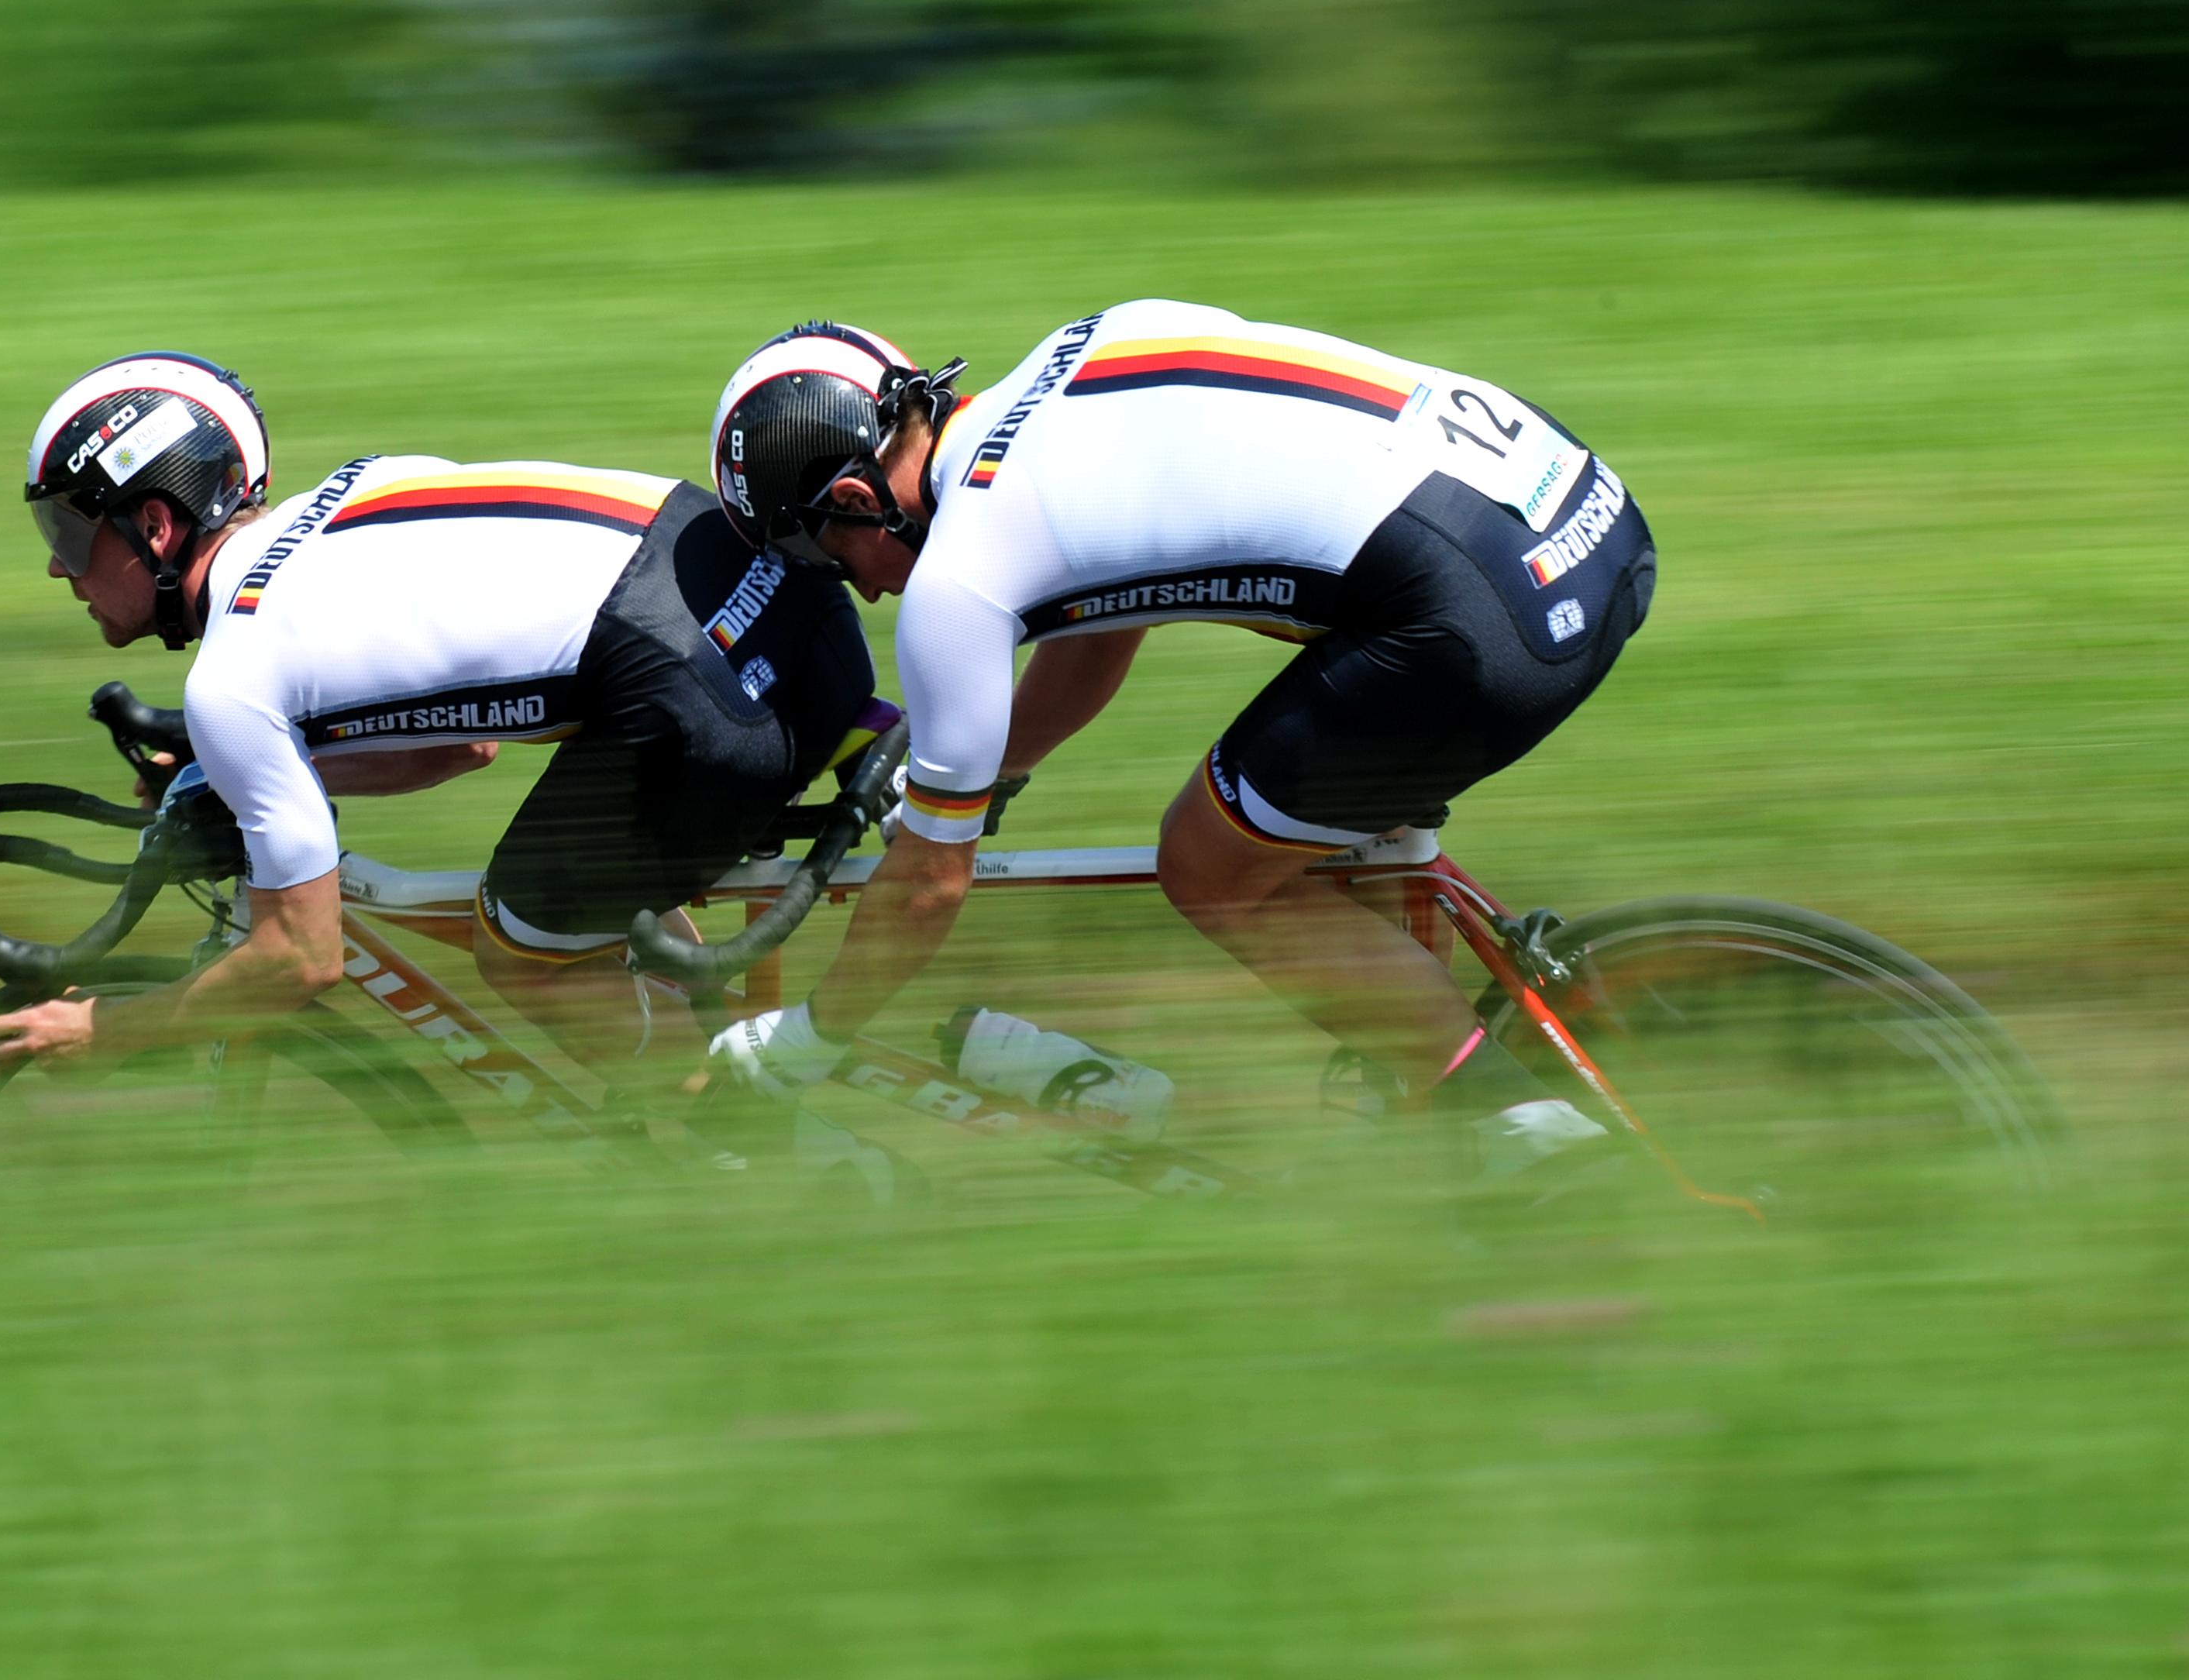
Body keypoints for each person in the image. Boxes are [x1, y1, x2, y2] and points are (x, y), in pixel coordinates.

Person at [701, 301, 1659, 1182]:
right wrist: (992, 774)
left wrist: (813, 1035)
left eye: (821, 557)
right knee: (1304, 808)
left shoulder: (960, 577)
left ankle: (1522, 1130)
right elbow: (1101, 620)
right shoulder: (1078, 346)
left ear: (856, 499)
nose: (864, 590)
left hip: (1488, 611)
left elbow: (928, 890)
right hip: (1581, 510)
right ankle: (1423, 1089)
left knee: (1209, 867)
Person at [0, 351, 884, 1114]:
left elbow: (300, 960)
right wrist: (249, 772)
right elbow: (461, 738)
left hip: (705, 708)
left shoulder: (233, 677)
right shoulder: (360, 486)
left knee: (521, 950)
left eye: (70, 532)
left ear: (155, 526)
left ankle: (737, 1142)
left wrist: (106, 1031)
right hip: (806, 614)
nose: (57, 567)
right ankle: (705, 1049)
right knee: (579, 867)